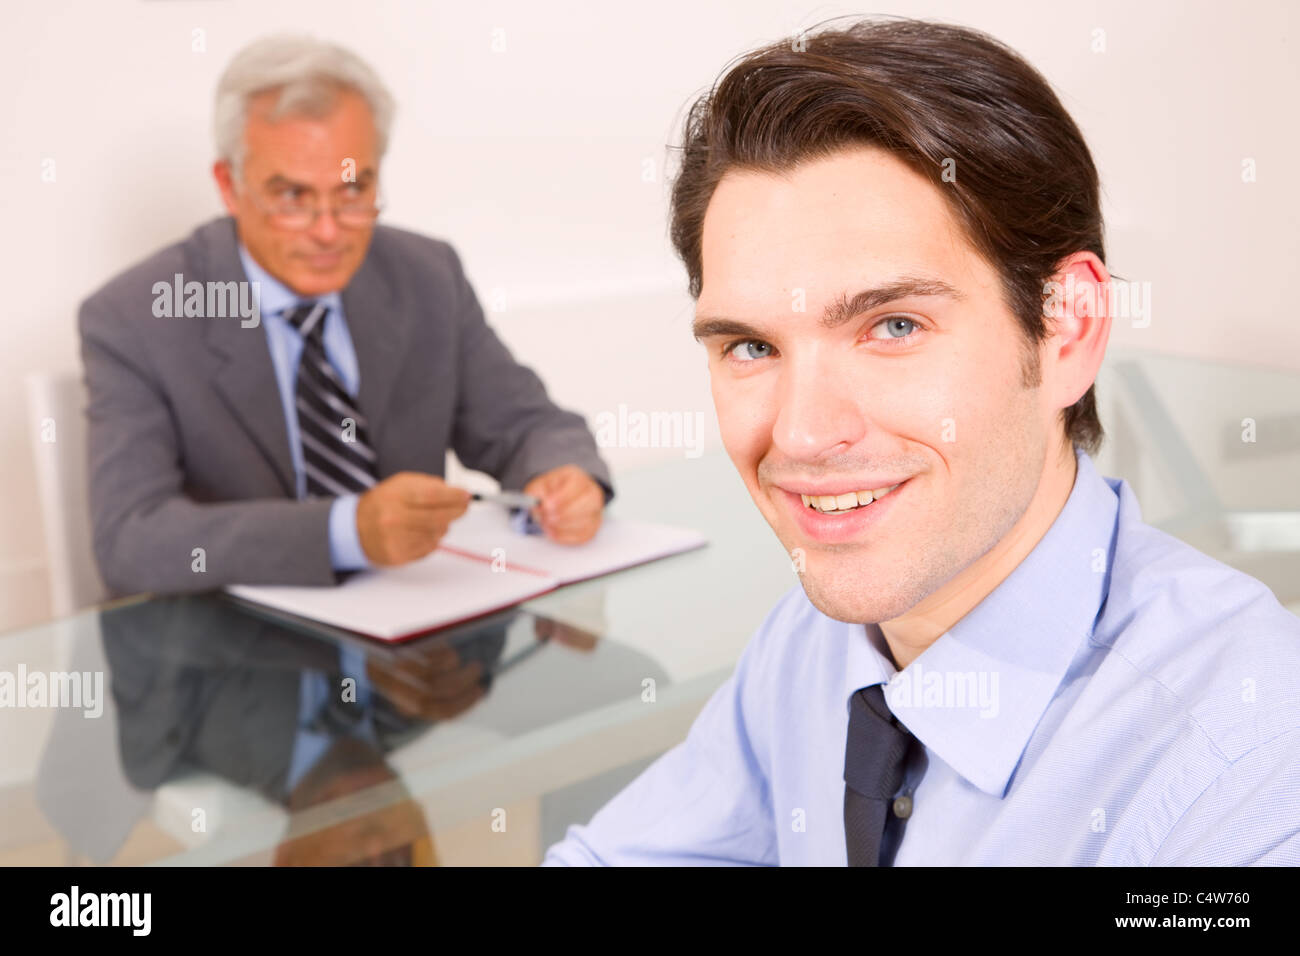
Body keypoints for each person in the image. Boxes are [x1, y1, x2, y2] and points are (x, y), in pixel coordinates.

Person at [544, 17, 1300, 865]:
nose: (800, 432)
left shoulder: (1254, 773)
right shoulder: (812, 644)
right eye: (751, 347)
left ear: (1067, 330)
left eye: (893, 325)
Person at [79, 35, 611, 597]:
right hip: (237, 661)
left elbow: (530, 426)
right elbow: (131, 542)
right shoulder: (136, 318)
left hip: (416, 645)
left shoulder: (425, 276)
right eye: (292, 196)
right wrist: (344, 533)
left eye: (353, 190)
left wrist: (564, 479)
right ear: (229, 187)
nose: (329, 230)